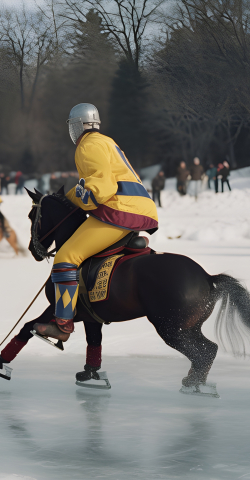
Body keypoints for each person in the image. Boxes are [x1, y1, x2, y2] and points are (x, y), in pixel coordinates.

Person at [32, 103, 158, 343]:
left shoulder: (86, 146)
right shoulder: (107, 141)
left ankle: (62, 325)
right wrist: (66, 199)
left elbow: (102, 188)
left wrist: (84, 199)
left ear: (77, 126)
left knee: (66, 258)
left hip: (118, 210)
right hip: (139, 208)